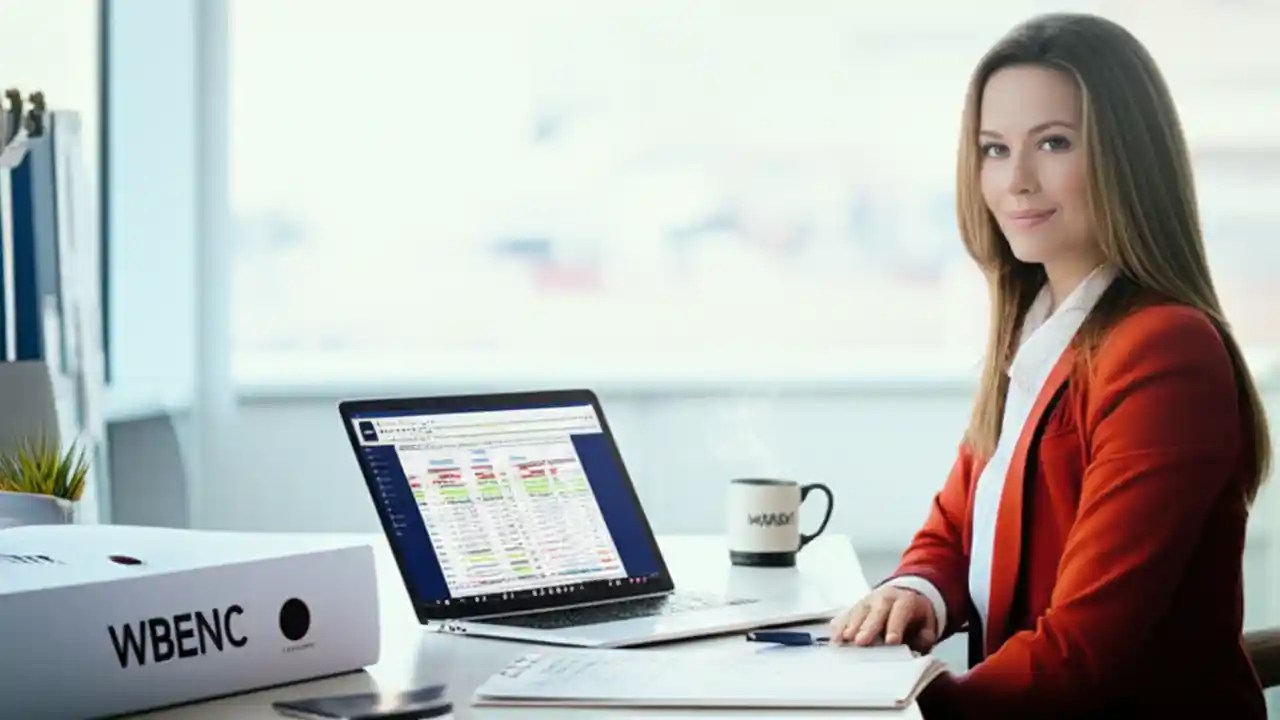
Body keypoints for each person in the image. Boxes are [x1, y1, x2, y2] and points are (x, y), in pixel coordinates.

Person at [828, 12, 1272, 719]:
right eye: (994, 149)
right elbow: (955, 525)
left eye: (1054, 143)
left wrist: (897, 704)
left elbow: (1086, 651)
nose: (1017, 182)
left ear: (1128, 157)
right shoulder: (1038, 329)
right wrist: (917, 591)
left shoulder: (1163, 350)